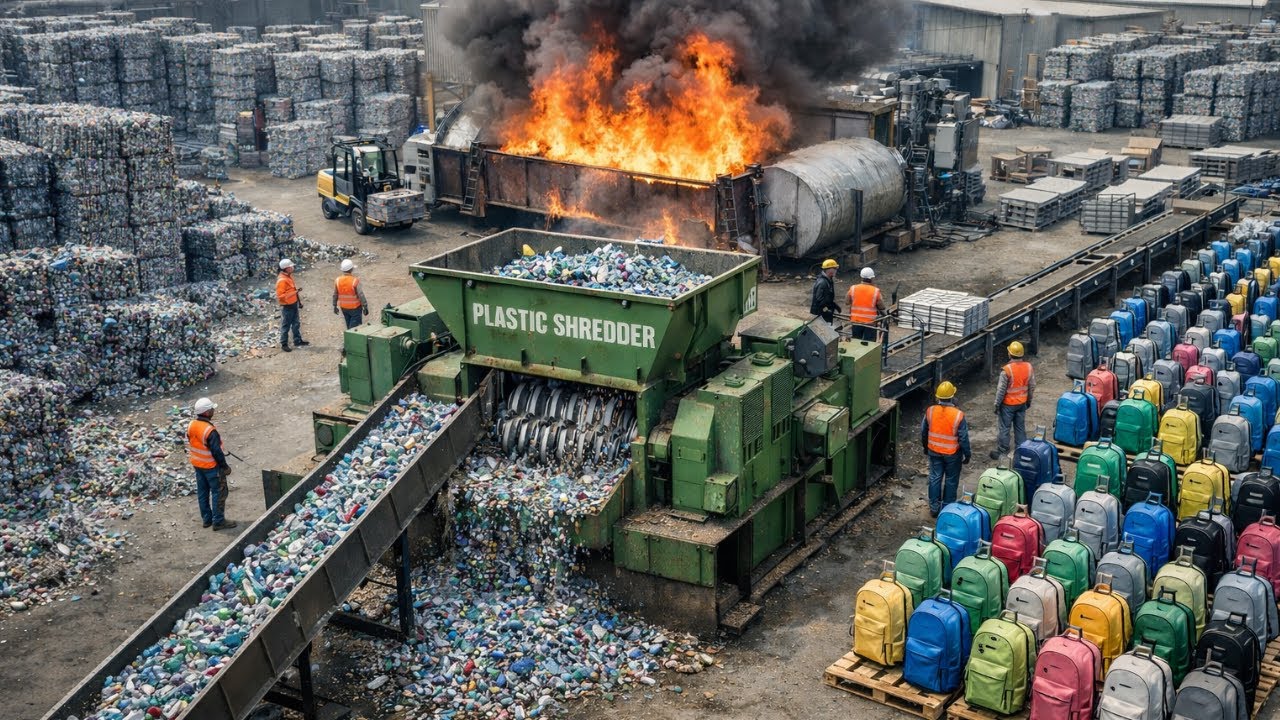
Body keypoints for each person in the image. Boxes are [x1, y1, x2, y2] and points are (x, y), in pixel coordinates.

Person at [922, 381, 971, 517]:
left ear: (938, 397)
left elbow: (924, 431)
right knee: (951, 480)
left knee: (935, 478)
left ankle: (934, 508)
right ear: (952, 396)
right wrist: (967, 454)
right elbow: (964, 438)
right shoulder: (958, 415)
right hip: (952, 454)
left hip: (934, 451)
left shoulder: (930, 411)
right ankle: (947, 508)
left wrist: (925, 447)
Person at [187, 397, 236, 531]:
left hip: (197, 465)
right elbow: (216, 451)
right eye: (211, 409)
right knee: (219, 492)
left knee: (203, 493)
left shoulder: (191, 425)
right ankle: (218, 521)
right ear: (207, 412)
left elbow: (193, 441)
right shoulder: (209, 430)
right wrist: (224, 467)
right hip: (211, 467)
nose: (213, 410)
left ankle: (207, 520)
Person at [992, 341, 1035, 460]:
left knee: (1004, 428)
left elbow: (1001, 390)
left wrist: (996, 404)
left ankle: (1002, 452)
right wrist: (1028, 400)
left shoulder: (1006, 370)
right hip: (1022, 403)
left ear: (1009, 354)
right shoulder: (1028, 367)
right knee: (1020, 427)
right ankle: (1021, 450)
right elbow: (1032, 386)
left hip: (1008, 405)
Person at [848, 267, 888, 342]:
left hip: (856, 321)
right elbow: (882, 307)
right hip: (870, 323)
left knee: (856, 342)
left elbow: (847, 302)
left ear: (861, 277)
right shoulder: (875, 291)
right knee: (869, 344)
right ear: (871, 278)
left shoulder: (853, 288)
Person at [277, 258, 309, 352]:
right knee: (286, 325)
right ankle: (284, 343)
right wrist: (294, 292)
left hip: (293, 304)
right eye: (291, 266)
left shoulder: (288, 276)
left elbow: (293, 290)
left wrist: (299, 302)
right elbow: (281, 296)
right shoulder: (282, 280)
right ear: (286, 268)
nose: (293, 267)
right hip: (287, 306)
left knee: (296, 323)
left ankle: (297, 340)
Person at [332, 258, 369, 330]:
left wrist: (334, 305)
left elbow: (335, 294)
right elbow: (360, 294)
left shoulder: (338, 280)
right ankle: (352, 340)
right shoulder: (354, 280)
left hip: (344, 308)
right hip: (355, 308)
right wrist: (365, 306)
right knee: (355, 329)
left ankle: (349, 339)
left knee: (349, 326)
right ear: (351, 269)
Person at [810, 259, 840, 324]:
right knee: (823, 329)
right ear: (829, 269)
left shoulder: (829, 279)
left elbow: (828, 296)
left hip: (825, 310)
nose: (836, 270)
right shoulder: (822, 282)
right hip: (821, 312)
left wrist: (834, 305)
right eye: (834, 268)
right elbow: (819, 299)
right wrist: (826, 309)